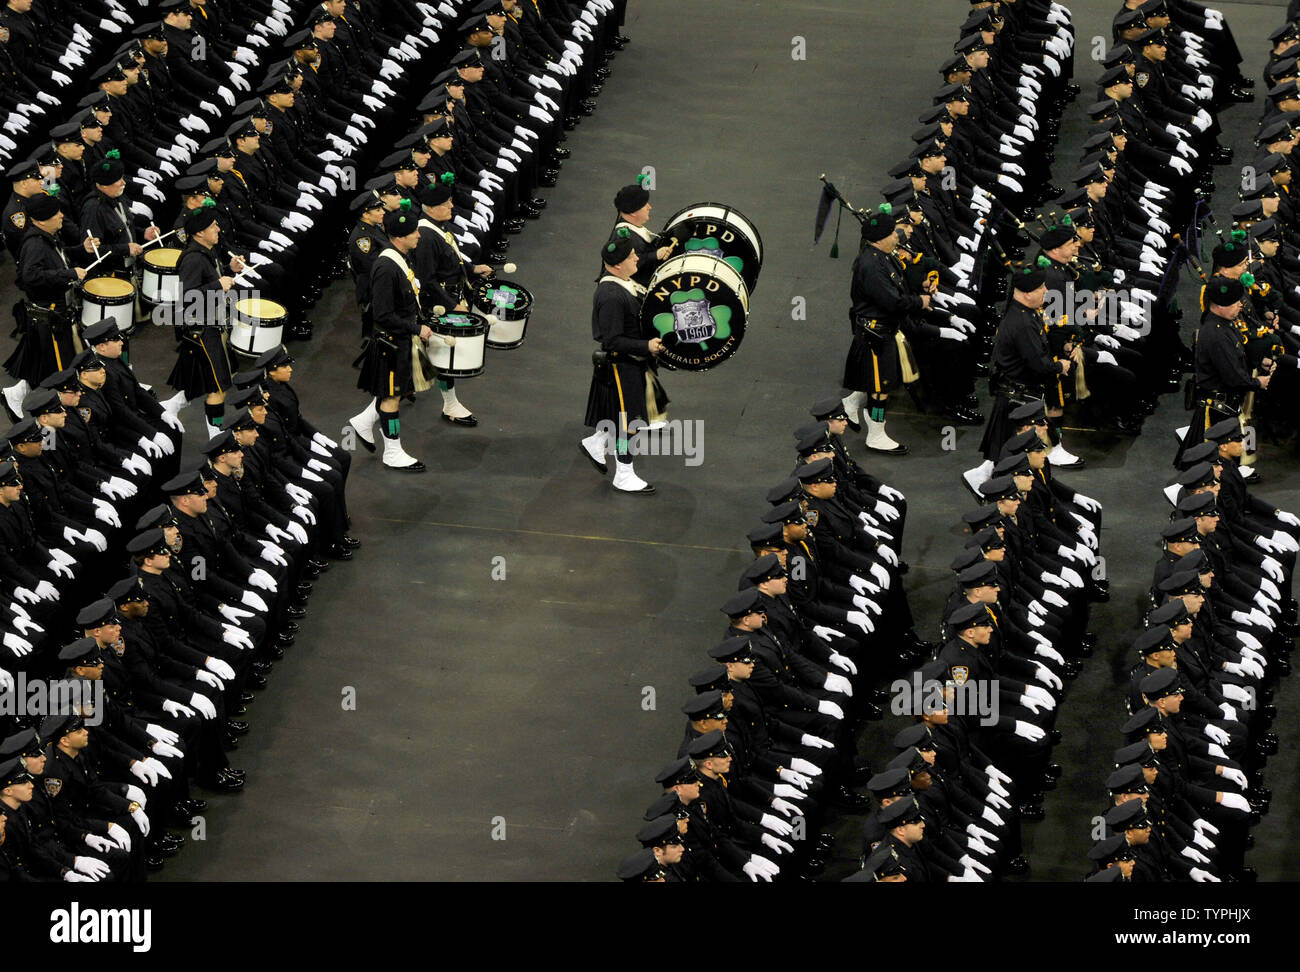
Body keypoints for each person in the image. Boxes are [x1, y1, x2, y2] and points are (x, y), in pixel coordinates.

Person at [579, 230, 668, 493]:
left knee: (623, 418)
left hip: (632, 363)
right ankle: (624, 472)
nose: (637, 259)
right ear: (617, 264)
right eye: (631, 257)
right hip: (622, 365)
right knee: (629, 424)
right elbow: (612, 340)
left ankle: (596, 443)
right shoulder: (611, 296)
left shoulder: (625, 283)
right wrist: (647, 345)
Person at [348, 205, 431, 472]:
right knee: (391, 398)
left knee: (395, 391)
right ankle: (392, 451)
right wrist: (416, 329)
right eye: (414, 232)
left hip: (400, 339)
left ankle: (363, 421)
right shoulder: (386, 267)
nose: (418, 235)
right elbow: (383, 314)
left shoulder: (401, 257)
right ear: (400, 237)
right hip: (390, 343)